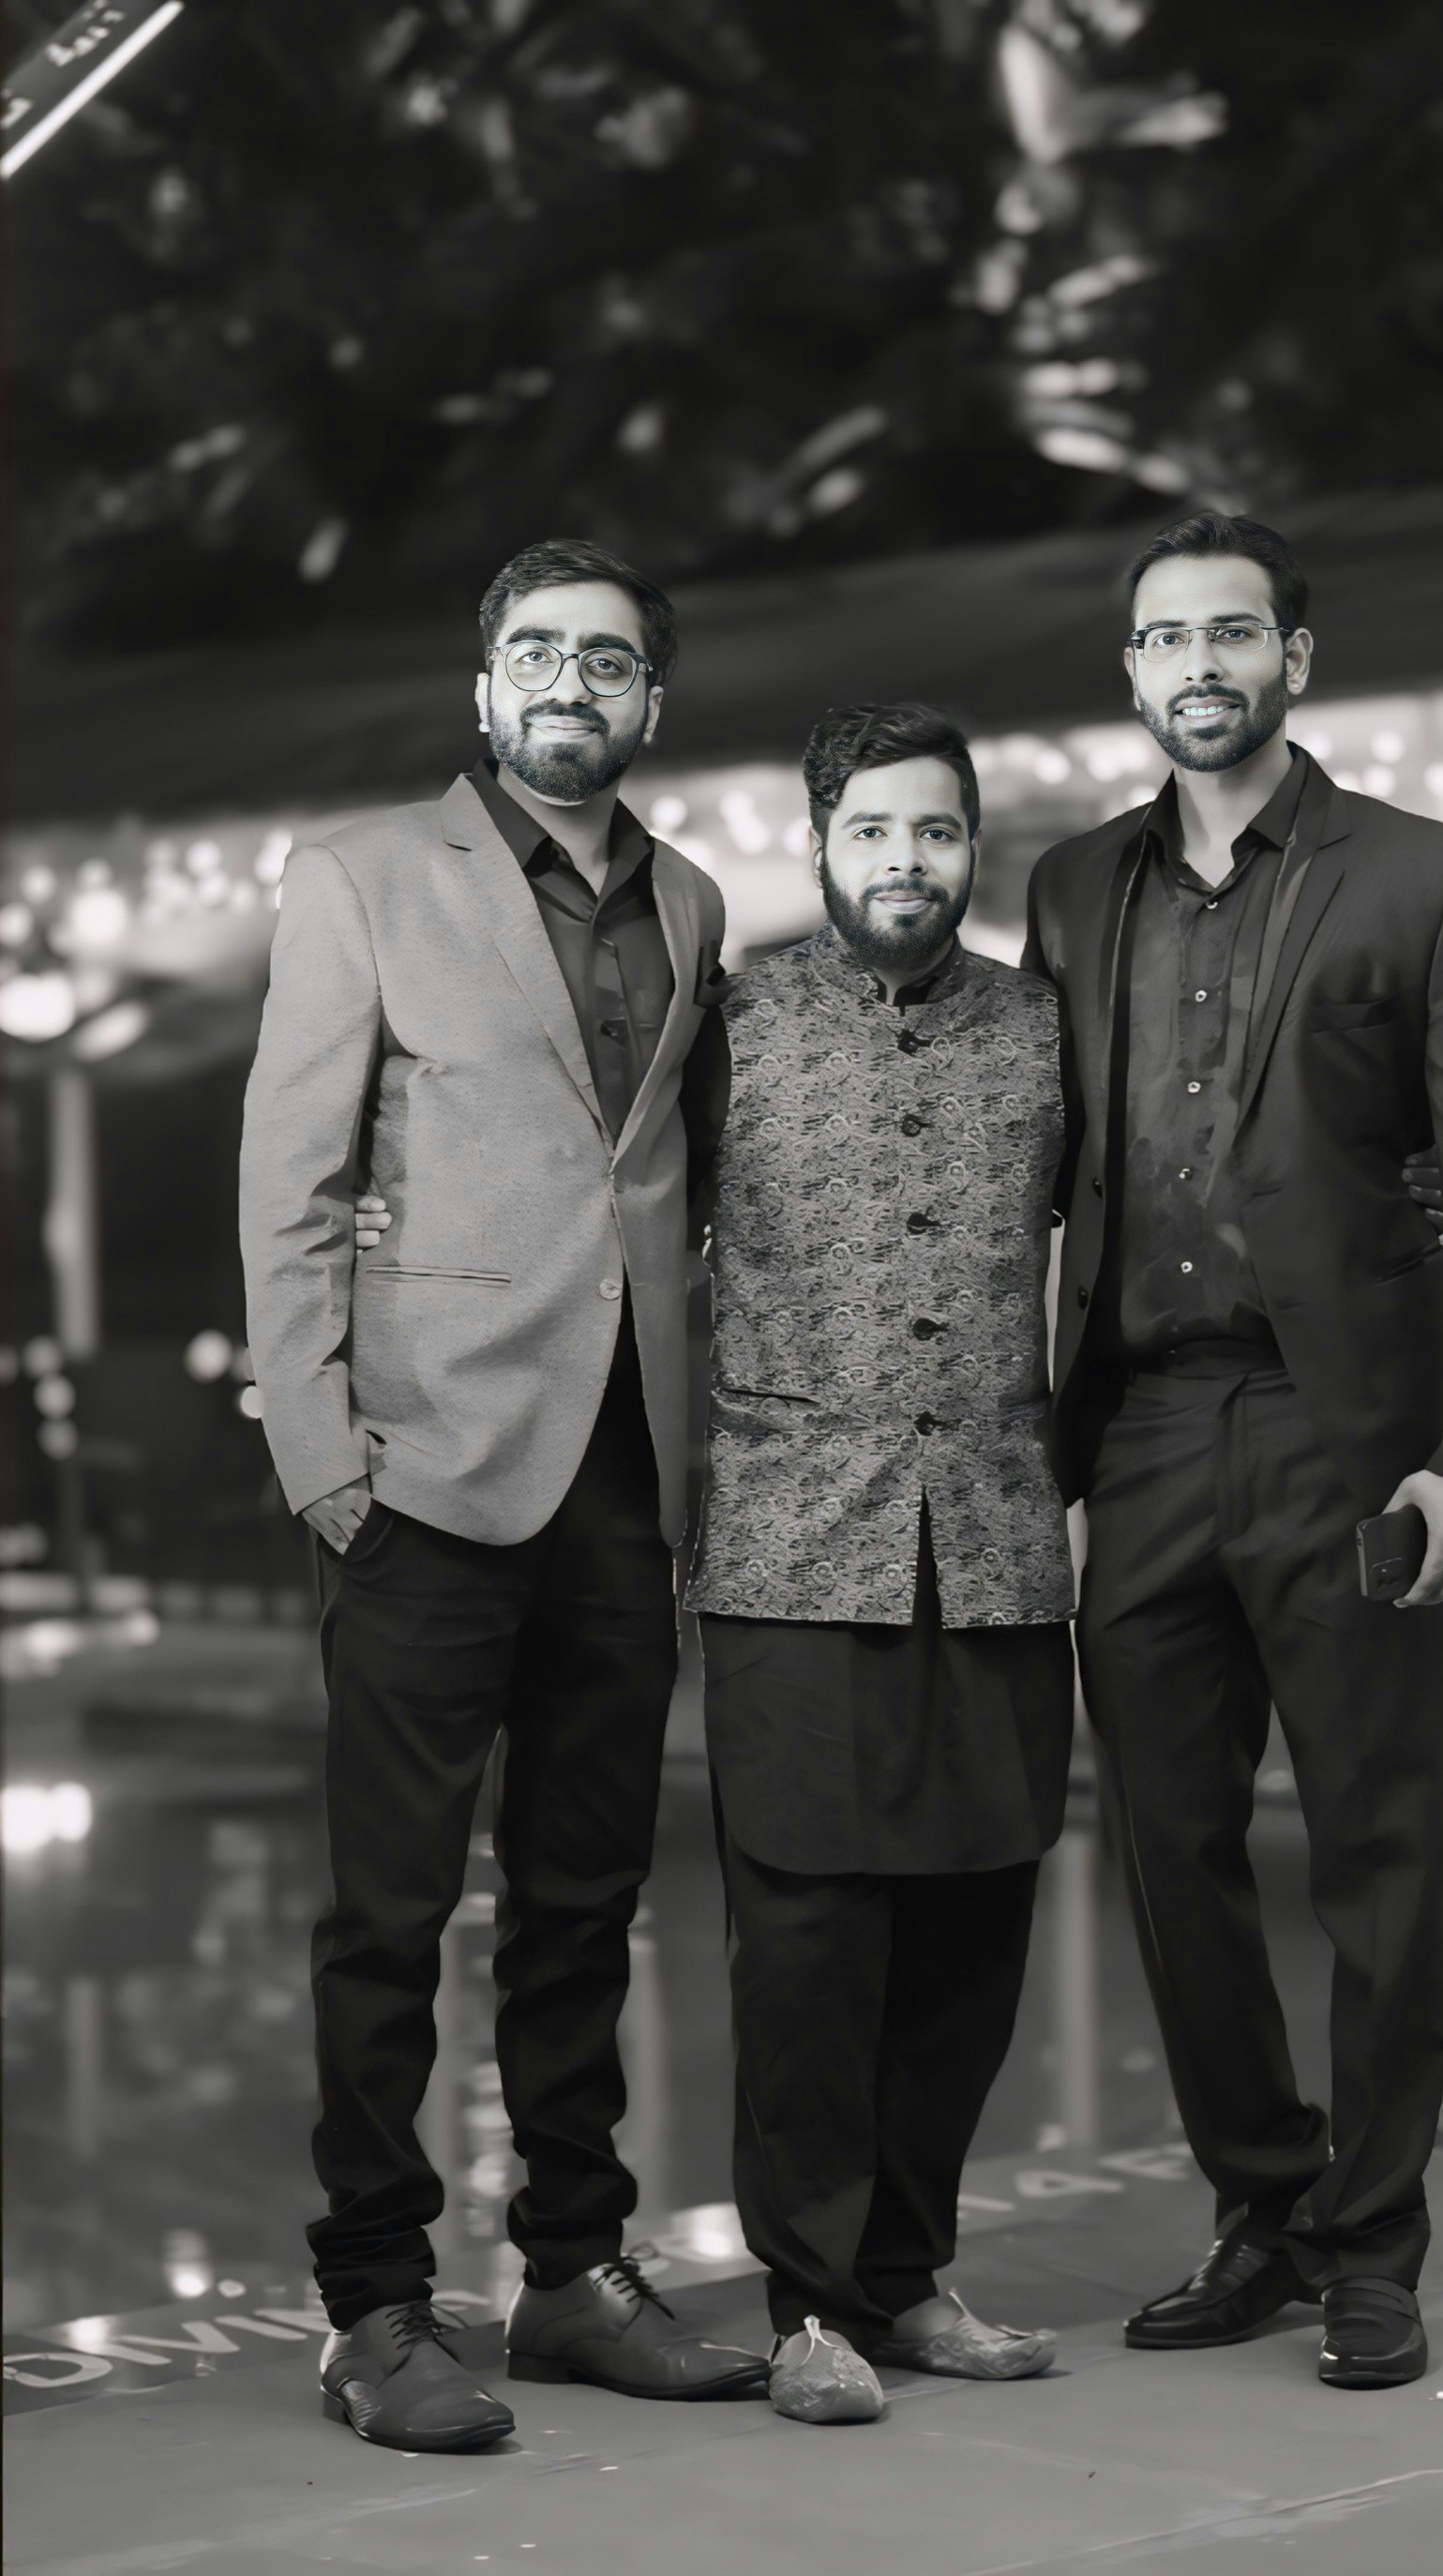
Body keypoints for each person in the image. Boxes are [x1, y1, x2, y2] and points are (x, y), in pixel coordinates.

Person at [1024, 512, 1443, 2390]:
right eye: (1161, 638)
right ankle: (1259, 2205)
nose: (1195, 666)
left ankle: (1372, 2248)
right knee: (1167, 1850)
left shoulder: (1426, 879)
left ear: (1292, 662)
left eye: (1229, 634)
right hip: (1143, 1425)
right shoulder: (1072, 892)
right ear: (1132, 672)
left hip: (1345, 1439)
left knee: (1373, 1855)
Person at [238, 537, 765, 2453]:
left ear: (648, 704)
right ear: (484, 693)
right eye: (535, 653)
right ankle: (373, 2308)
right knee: (386, 1918)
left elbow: (670, 1194)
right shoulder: (363, 876)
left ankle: (569, 2274)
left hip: (628, 1478)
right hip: (425, 1481)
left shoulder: (694, 903)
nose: (571, 683)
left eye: (607, 660)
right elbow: (287, 1184)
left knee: (582, 1903)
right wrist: (323, 1464)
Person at [681, 702, 1075, 2423]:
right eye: (872, 832)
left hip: (995, 1544)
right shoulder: (735, 1025)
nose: (904, 862)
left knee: (974, 1936)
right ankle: (809, 2308)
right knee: (810, 1946)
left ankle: (912, 2282)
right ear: (821, 842)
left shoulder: (1043, 1032)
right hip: (789, 1546)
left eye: (933, 832)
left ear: (965, 846)